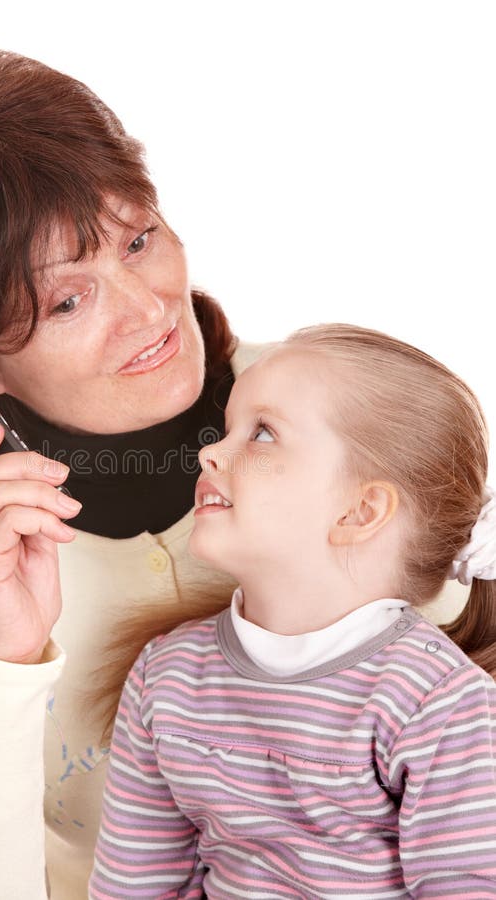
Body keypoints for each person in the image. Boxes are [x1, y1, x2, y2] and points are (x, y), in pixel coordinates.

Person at [0, 45, 468, 899]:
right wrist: (4, 663)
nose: (147, 307)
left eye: (137, 239)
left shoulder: (353, 410)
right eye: (66, 301)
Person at [89, 323, 496, 899]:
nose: (209, 451)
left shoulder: (436, 704)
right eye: (227, 429)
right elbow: (135, 886)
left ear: (359, 512)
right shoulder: (167, 676)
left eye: (261, 434)